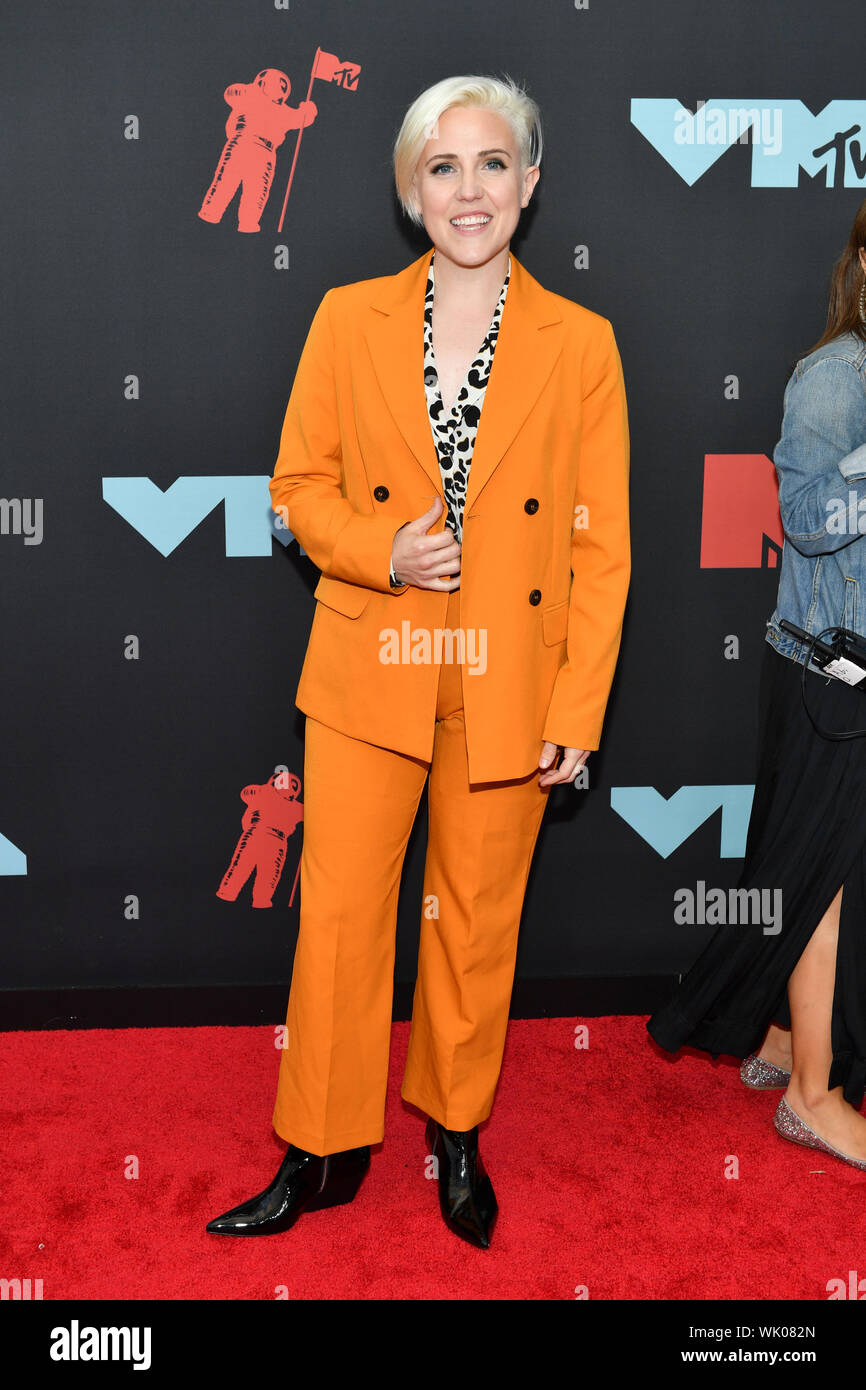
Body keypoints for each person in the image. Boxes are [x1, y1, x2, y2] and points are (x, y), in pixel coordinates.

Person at [207, 73, 630, 1248]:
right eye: (441, 167)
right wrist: (381, 550)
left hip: (508, 677)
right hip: (367, 666)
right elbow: (294, 492)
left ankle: (455, 1131)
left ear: (530, 184)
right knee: (336, 921)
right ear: (409, 192)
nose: (469, 189)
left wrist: (577, 711)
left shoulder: (582, 345)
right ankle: (319, 1147)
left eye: (492, 163)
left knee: (475, 920)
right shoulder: (347, 318)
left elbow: (603, 549)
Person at [648, 200, 866, 1172]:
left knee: (824, 878)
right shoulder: (835, 377)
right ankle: (814, 1097)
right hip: (829, 671)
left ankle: (786, 1040)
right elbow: (812, 517)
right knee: (815, 885)